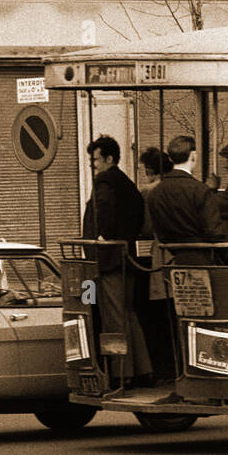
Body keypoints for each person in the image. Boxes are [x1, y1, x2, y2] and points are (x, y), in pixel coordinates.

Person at [83, 135, 153, 388]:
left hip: (109, 259)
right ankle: (144, 368)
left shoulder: (105, 181)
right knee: (128, 313)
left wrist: (103, 236)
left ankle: (121, 373)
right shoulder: (126, 182)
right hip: (127, 257)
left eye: (96, 160)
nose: (93, 165)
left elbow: (104, 210)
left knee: (114, 317)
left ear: (109, 159)